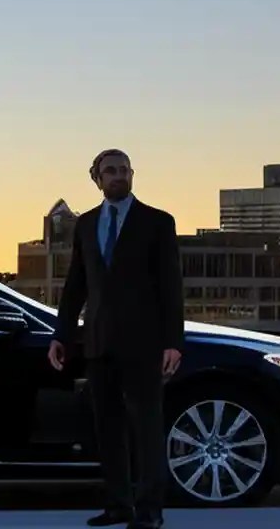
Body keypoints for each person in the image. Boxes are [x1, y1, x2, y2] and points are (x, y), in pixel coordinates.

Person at [47, 149, 184, 529]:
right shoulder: (87, 224)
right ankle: (118, 505)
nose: (119, 175)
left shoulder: (157, 222)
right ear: (97, 178)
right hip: (98, 342)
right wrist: (62, 335)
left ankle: (150, 511)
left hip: (144, 344)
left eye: (124, 170)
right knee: (107, 429)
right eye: (111, 171)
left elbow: (171, 286)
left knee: (147, 429)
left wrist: (173, 342)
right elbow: (76, 285)